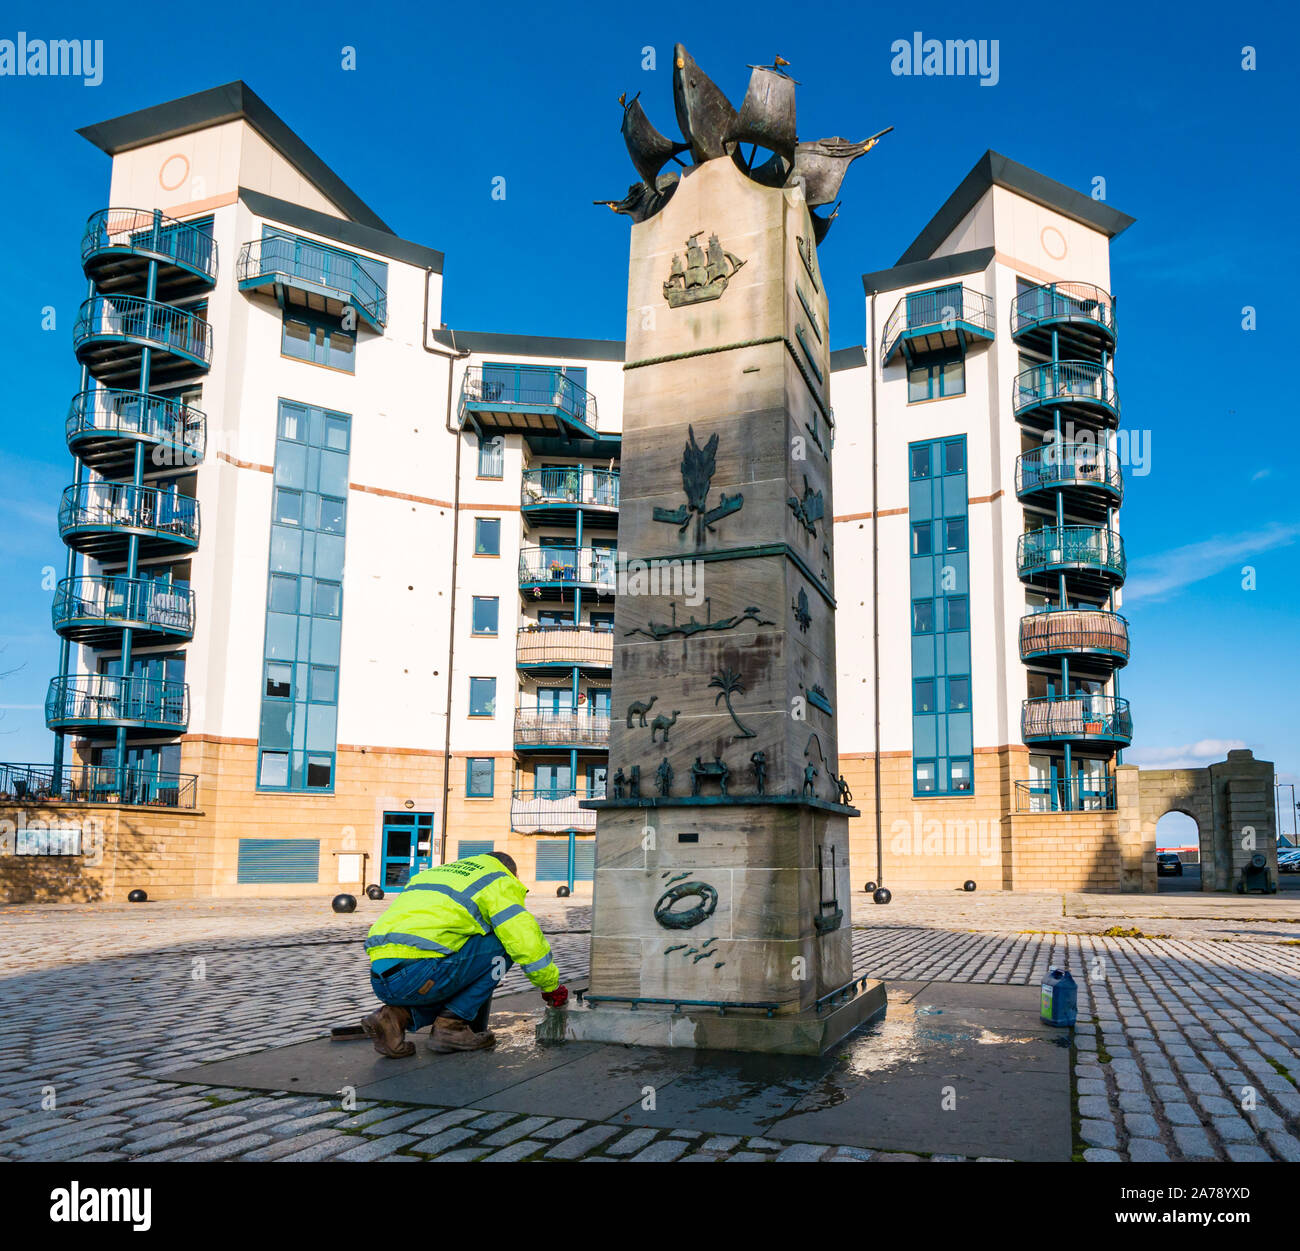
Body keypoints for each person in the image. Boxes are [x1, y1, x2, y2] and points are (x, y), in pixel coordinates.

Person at [360, 851, 568, 1058]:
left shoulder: (435, 873)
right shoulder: (499, 878)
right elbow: (523, 938)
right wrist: (551, 986)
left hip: (382, 978)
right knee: (504, 943)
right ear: (511, 873)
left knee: (454, 967)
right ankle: (451, 1027)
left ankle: (393, 1019)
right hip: (420, 973)